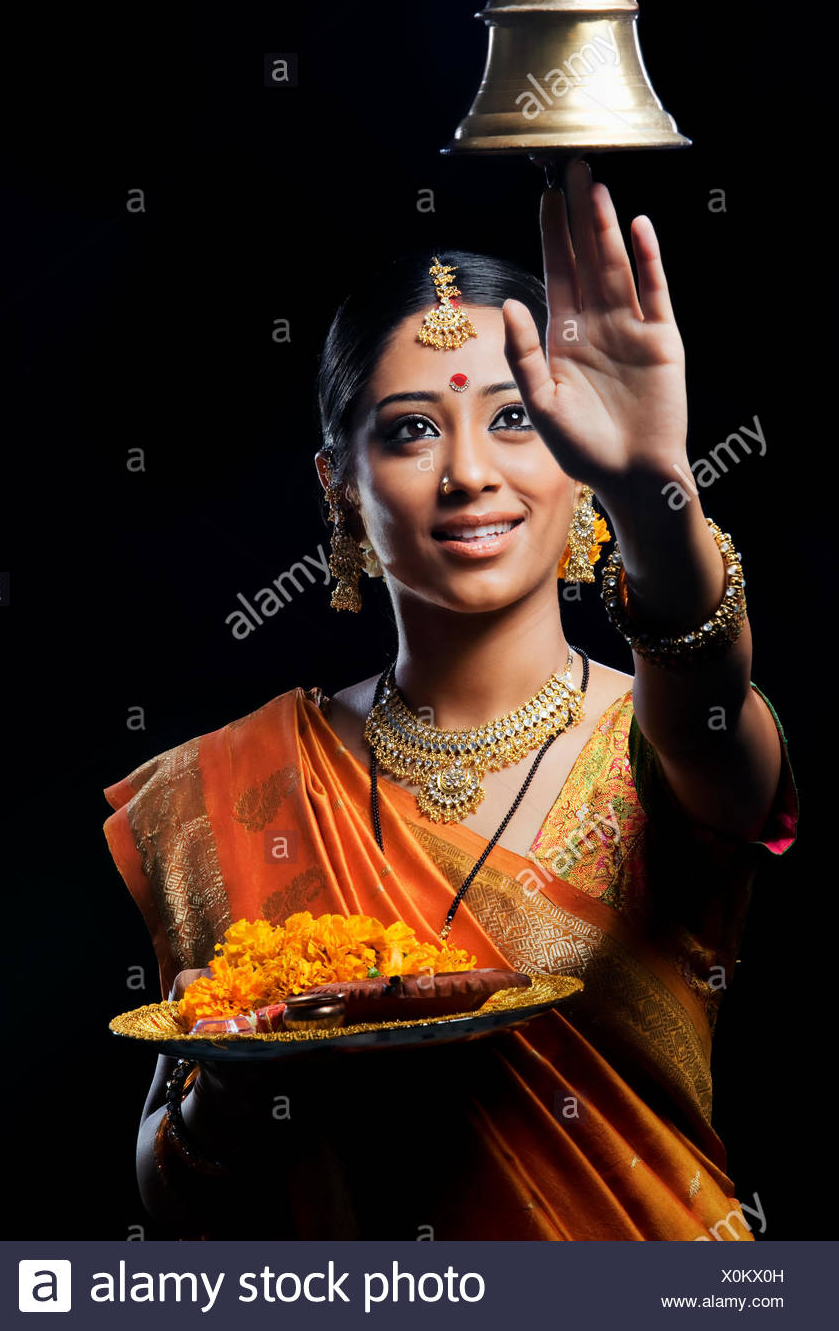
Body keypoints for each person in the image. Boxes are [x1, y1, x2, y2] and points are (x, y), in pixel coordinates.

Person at [103, 160, 798, 1241]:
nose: (469, 471)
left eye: (516, 419)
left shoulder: (669, 745)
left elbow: (707, 686)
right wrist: (230, 1090)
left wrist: (655, 493)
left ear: (576, 458)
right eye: (411, 429)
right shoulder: (224, 792)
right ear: (340, 479)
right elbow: (180, 1192)